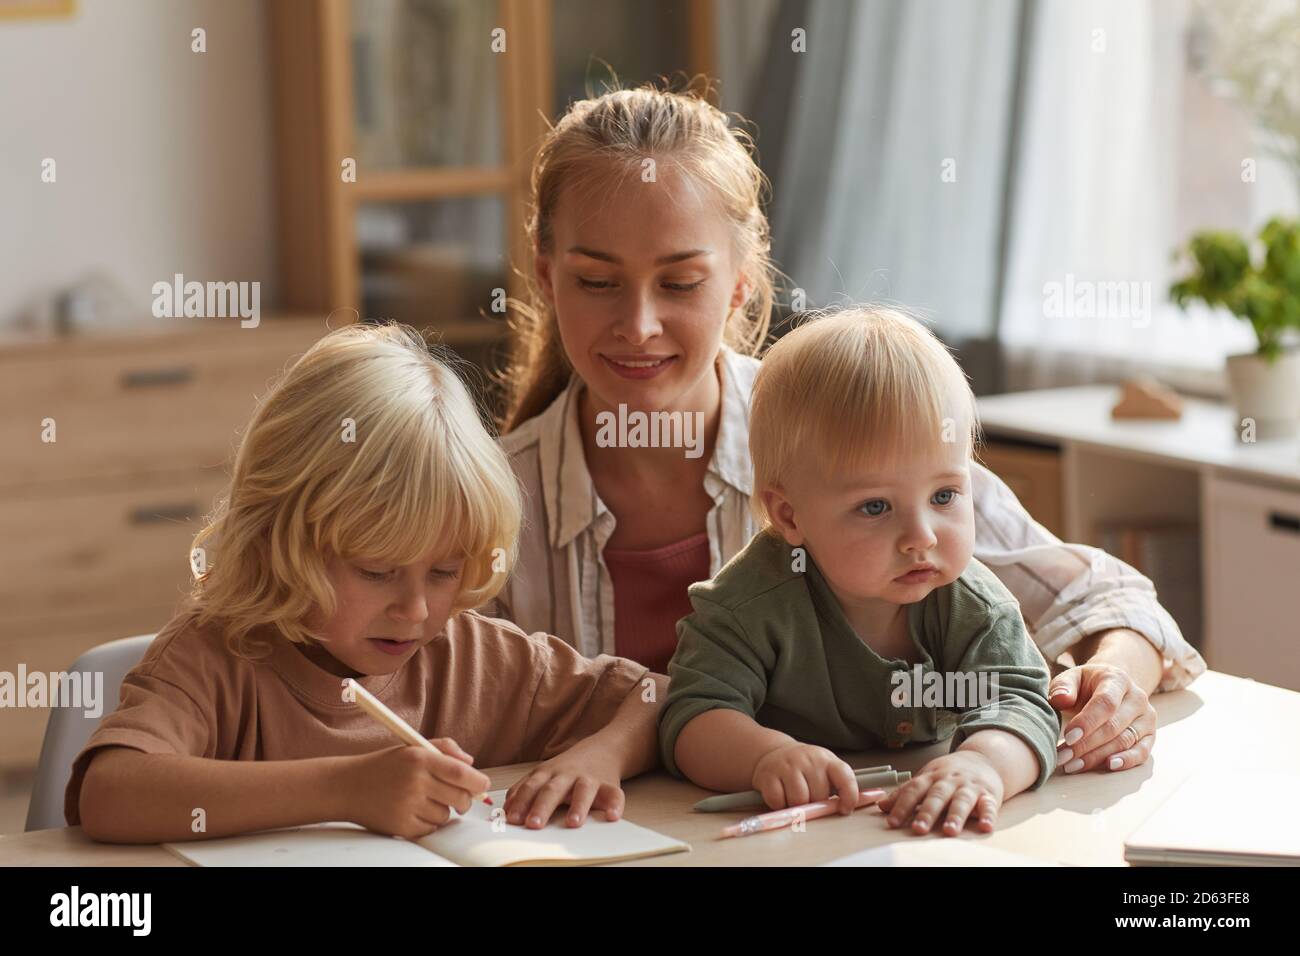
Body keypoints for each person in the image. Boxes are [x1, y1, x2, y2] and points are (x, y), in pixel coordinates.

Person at [492, 82, 1204, 776]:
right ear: (548, 278)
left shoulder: (845, 428)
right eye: (596, 281)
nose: (639, 325)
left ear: (741, 282)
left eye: (679, 283)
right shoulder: (494, 498)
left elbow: (1110, 600)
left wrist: (1114, 680)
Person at [69, 323, 664, 843]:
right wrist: (346, 789)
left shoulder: (471, 657)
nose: (415, 610)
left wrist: (599, 756)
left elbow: (656, 696)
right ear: (280, 542)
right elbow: (113, 792)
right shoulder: (213, 658)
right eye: (377, 572)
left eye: (444, 572)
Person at [661, 307, 1058, 835]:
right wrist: (766, 756)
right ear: (789, 515)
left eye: (944, 495)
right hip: (795, 838)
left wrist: (984, 764)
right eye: (876, 507)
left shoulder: (973, 605)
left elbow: (1021, 702)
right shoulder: (748, 604)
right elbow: (692, 714)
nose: (923, 536)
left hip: (914, 828)